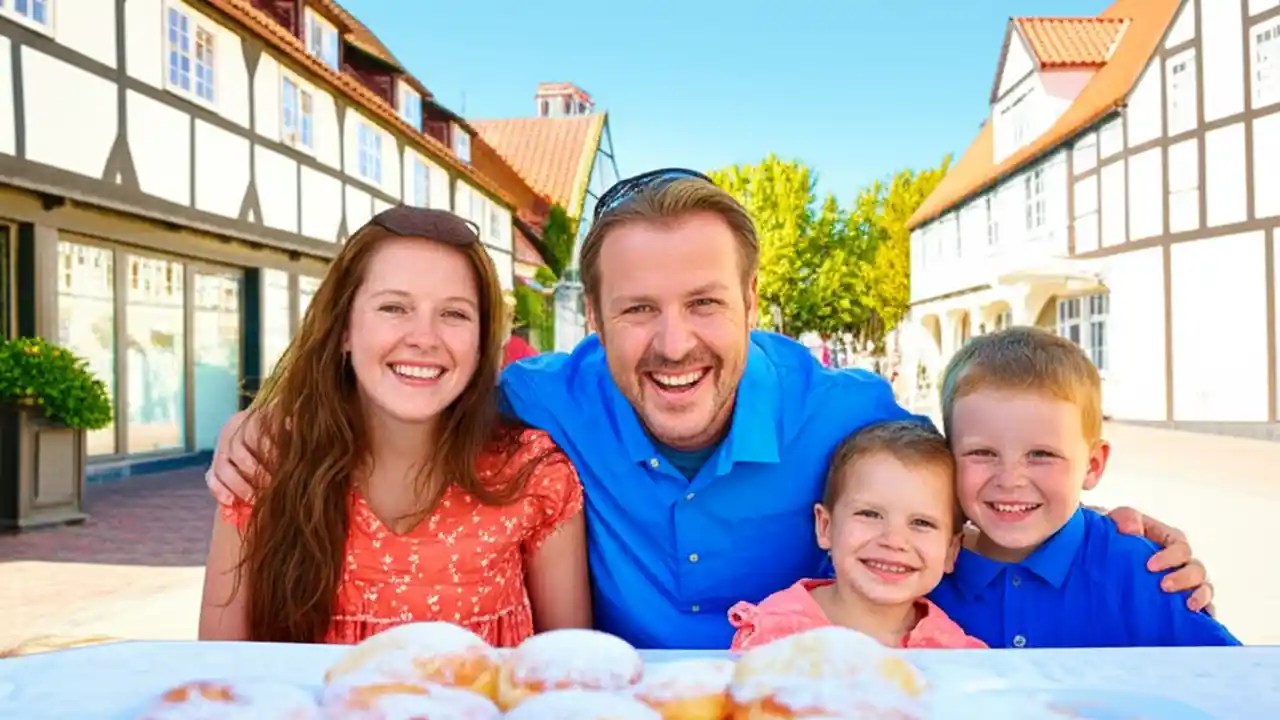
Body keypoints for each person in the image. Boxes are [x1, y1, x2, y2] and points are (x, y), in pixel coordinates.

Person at [205, 168, 1214, 649]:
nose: (674, 342)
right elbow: (408, 380)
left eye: (702, 303)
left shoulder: (852, 411)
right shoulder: (534, 401)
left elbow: (989, 485)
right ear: (590, 318)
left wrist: (1116, 536)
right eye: (637, 310)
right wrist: (276, 419)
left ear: (751, 305)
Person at [199, 207, 590, 646]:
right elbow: (219, 677)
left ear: (483, 343)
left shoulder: (532, 475)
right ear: (344, 329)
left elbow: (571, 674)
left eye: (454, 314)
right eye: (393, 307)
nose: (424, 337)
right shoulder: (262, 465)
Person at [928, 327, 1239, 647]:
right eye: (982, 453)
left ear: (1092, 465)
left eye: (1041, 455)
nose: (1010, 479)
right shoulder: (918, 570)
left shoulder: (1143, 572)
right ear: (946, 457)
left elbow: (1240, 681)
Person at [727, 420, 986, 651]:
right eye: (870, 514)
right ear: (826, 527)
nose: (894, 541)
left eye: (921, 522)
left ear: (951, 551)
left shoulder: (956, 656)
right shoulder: (770, 638)